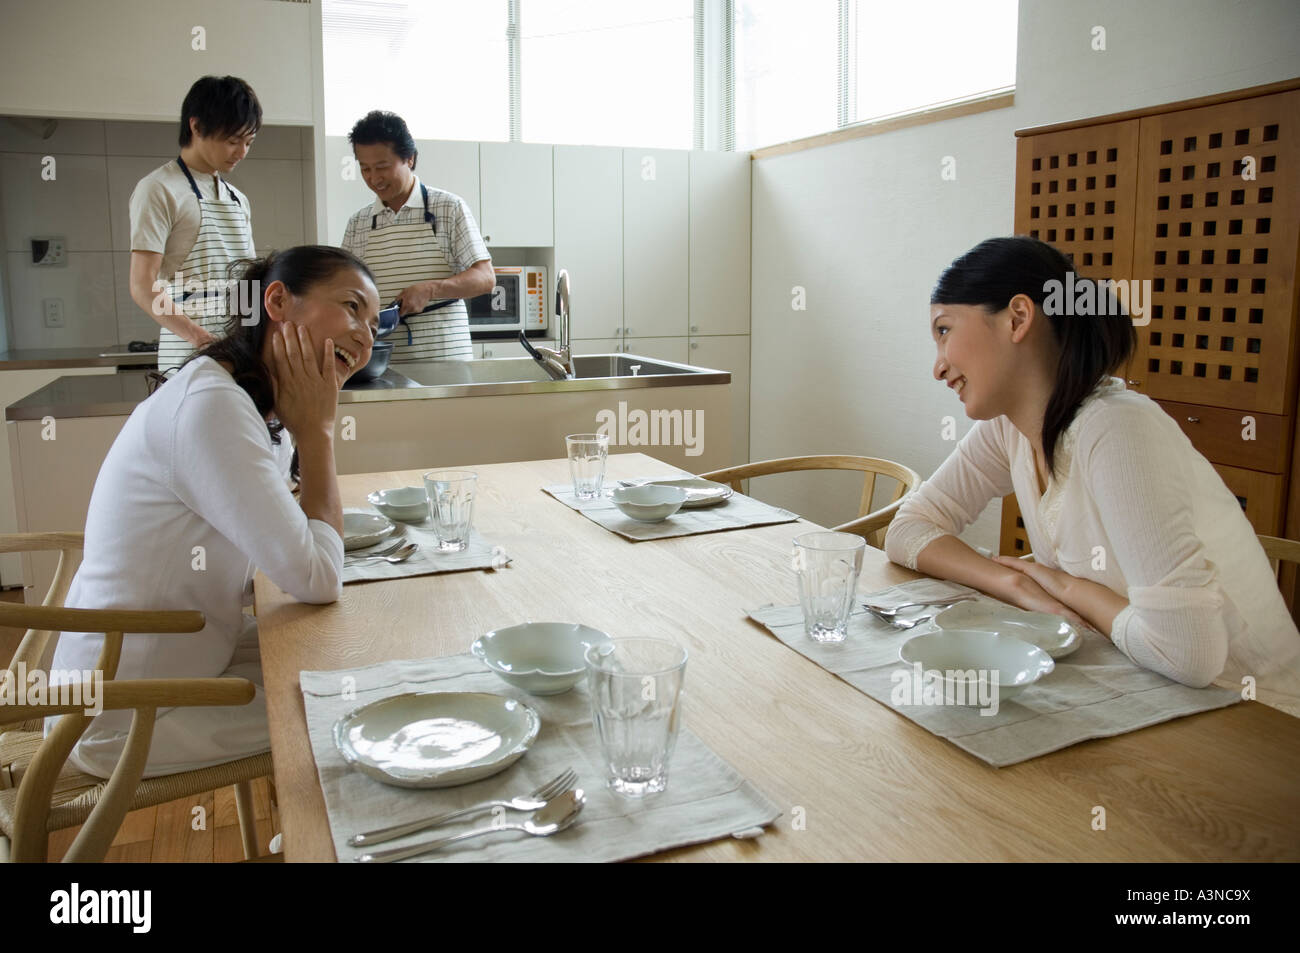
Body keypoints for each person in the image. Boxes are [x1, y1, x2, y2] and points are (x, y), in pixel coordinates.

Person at [883, 235, 1300, 715]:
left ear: (1018, 318)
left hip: (1251, 715)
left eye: (944, 331)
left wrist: (1068, 589)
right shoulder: (1010, 429)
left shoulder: (1116, 428)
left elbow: (1188, 655)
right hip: (1138, 682)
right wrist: (1014, 584)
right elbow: (909, 530)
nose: (938, 367)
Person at [48, 246, 381, 778]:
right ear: (276, 300)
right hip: (124, 713)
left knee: (367, 658)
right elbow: (317, 577)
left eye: (374, 323)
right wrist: (318, 433)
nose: (366, 335)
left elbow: (287, 552)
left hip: (188, 660)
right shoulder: (213, 406)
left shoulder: (244, 398)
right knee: (355, 705)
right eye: (351, 307)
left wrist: (303, 431)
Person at [127, 75, 262, 374]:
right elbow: (141, 285)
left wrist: (256, 341)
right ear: (197, 126)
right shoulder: (159, 189)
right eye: (232, 141)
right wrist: (198, 337)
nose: (241, 152)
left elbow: (248, 283)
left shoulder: (238, 199)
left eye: (248, 142)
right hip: (187, 352)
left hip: (238, 352)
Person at [341, 110, 494, 362]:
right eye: (365, 169)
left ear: (409, 159)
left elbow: (485, 278)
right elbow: (346, 290)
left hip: (445, 363)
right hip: (382, 364)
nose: (374, 178)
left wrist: (431, 289)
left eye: (382, 167)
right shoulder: (359, 223)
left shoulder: (448, 208)